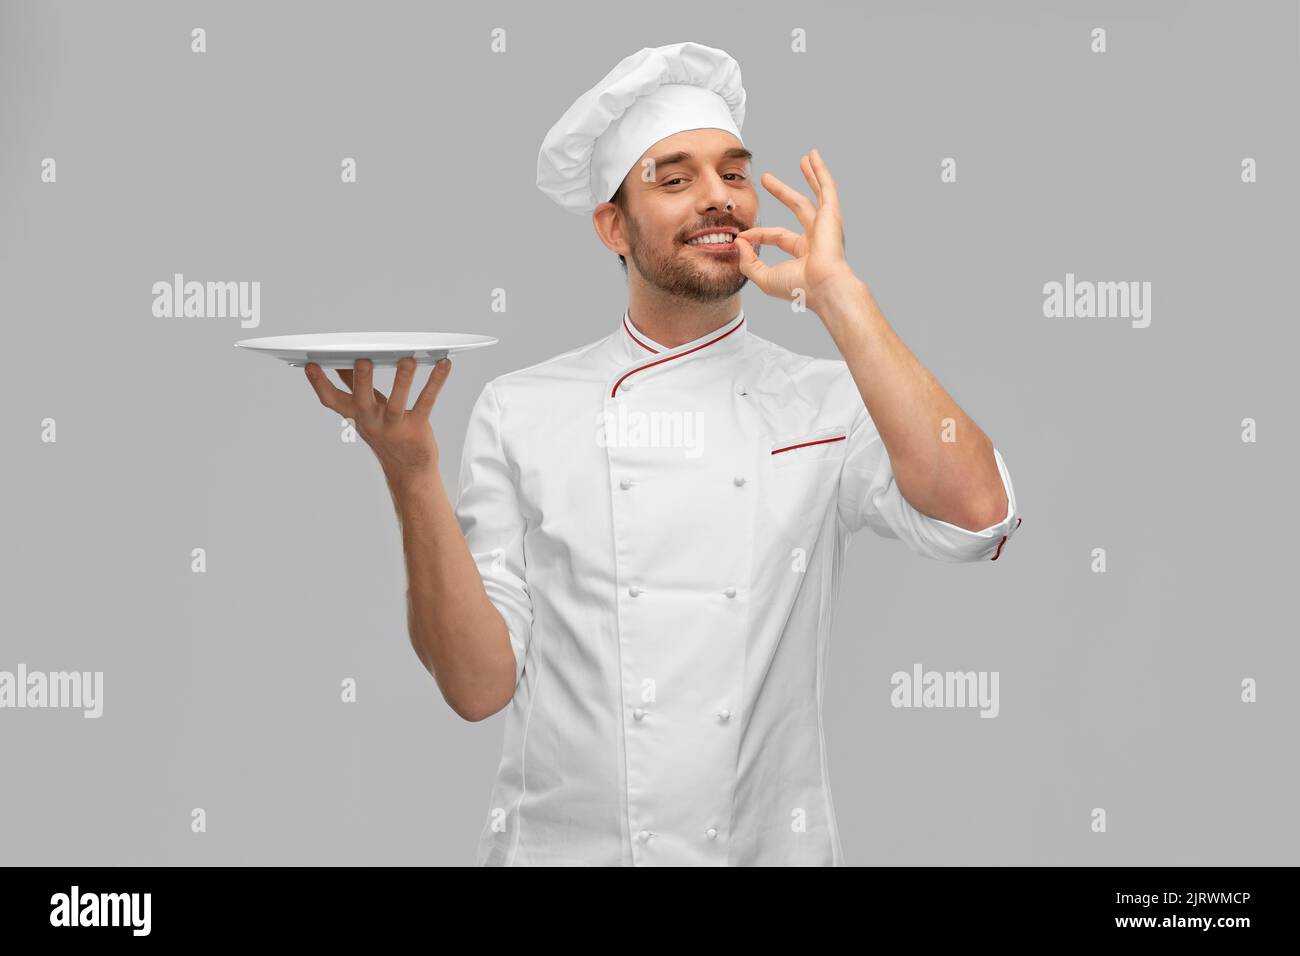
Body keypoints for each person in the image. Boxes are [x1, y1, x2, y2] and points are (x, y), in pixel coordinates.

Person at [304, 41, 1022, 866]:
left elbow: (981, 515)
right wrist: (411, 475)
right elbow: (476, 686)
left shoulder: (826, 400)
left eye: (734, 173)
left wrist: (837, 296)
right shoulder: (524, 409)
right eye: (674, 180)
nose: (718, 197)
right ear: (613, 226)